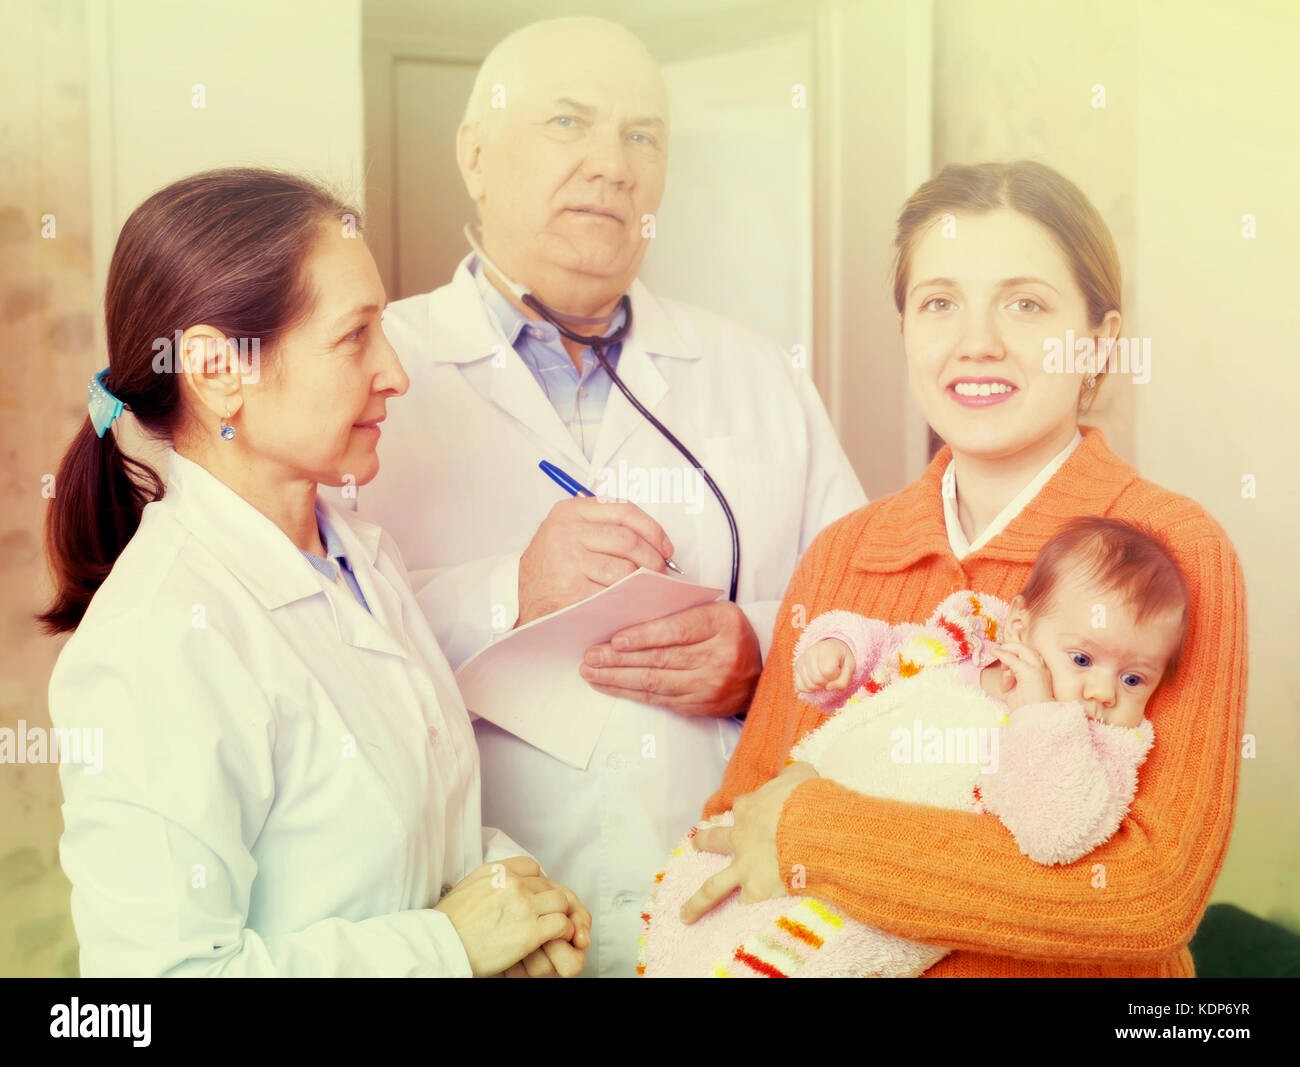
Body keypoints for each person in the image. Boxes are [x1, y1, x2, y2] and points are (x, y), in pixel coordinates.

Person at [350, 17, 865, 976]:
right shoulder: (371, 373)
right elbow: (310, 650)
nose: (613, 165)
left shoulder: (759, 376)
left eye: (642, 135)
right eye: (567, 122)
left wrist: (761, 653)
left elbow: (877, 624)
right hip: (485, 934)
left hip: (735, 923)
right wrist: (509, 590)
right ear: (475, 155)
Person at [682, 160, 1248, 977]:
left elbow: (1142, 895)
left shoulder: (1173, 551)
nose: (976, 342)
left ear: (1101, 342)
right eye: (939, 302)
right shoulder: (843, 554)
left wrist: (814, 831)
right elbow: (734, 829)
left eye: (1025, 304)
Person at [40, 168, 589, 978]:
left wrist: (512, 893)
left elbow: (396, 845)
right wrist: (448, 947)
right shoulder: (157, 640)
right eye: (354, 334)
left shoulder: (360, 558)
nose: (397, 371)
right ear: (219, 369)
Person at [642, 517, 1188, 976]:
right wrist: (840, 650)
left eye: (1135, 680)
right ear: (1020, 626)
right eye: (1083, 660)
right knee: (694, 910)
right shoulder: (962, 647)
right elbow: (889, 653)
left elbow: (1057, 833)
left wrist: (1041, 718)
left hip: (874, 897)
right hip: (795, 812)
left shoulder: (1097, 750)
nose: (1102, 693)